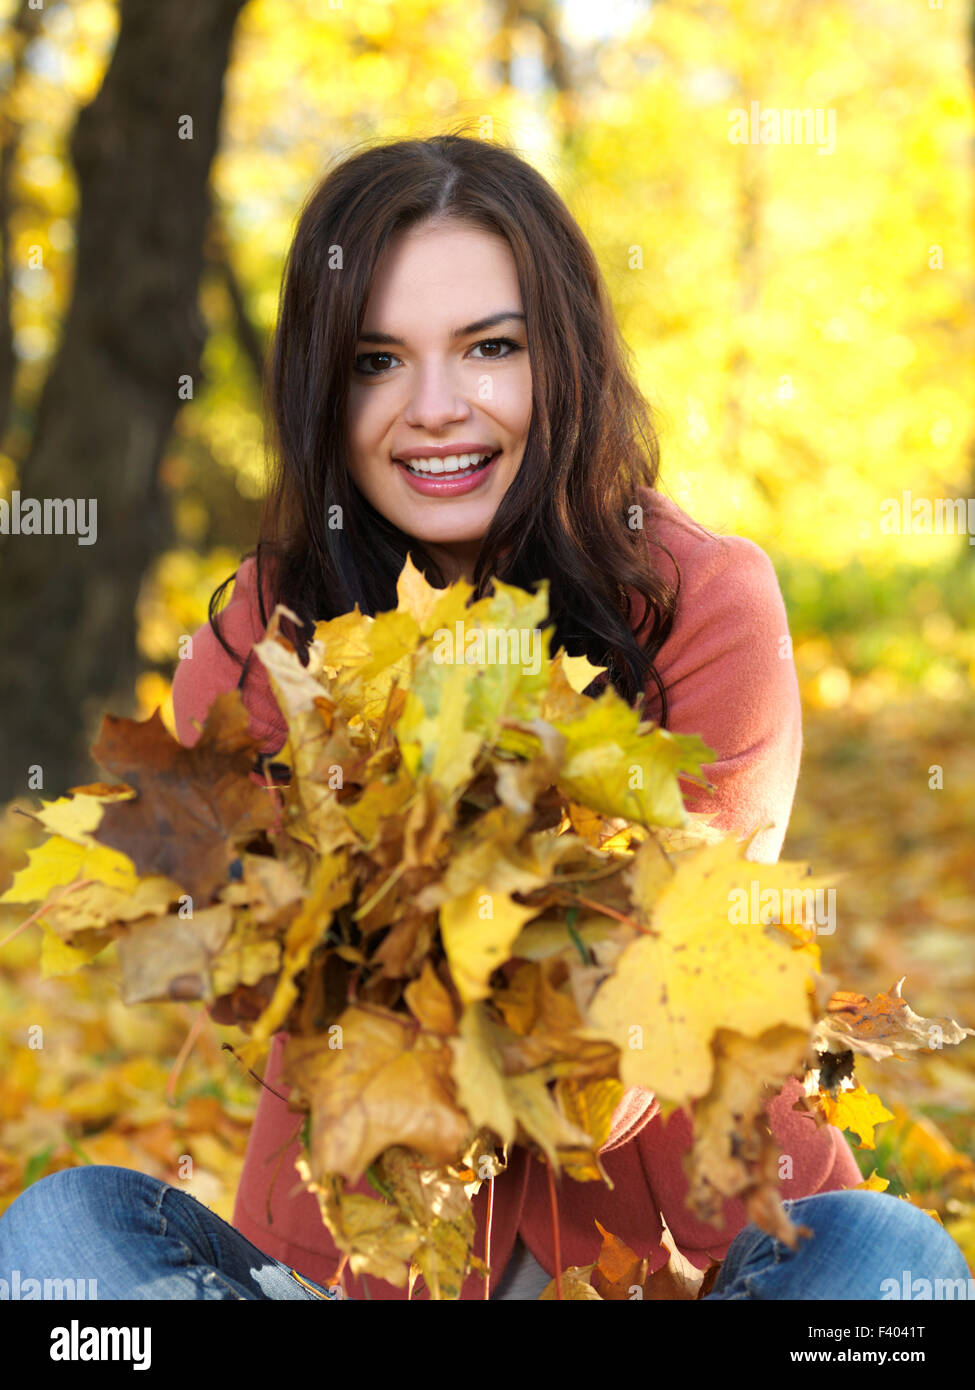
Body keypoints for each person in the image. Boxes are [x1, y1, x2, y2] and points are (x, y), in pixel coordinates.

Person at [0, 131, 968, 1302]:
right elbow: (275, 1014)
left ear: (562, 358)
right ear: (322, 385)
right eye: (376, 360)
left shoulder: (705, 602)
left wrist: (412, 898)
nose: (437, 410)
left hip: (693, 1270)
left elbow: (632, 1052)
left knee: (897, 1268)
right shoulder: (262, 633)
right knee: (57, 1240)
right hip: (358, 1280)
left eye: (490, 348)